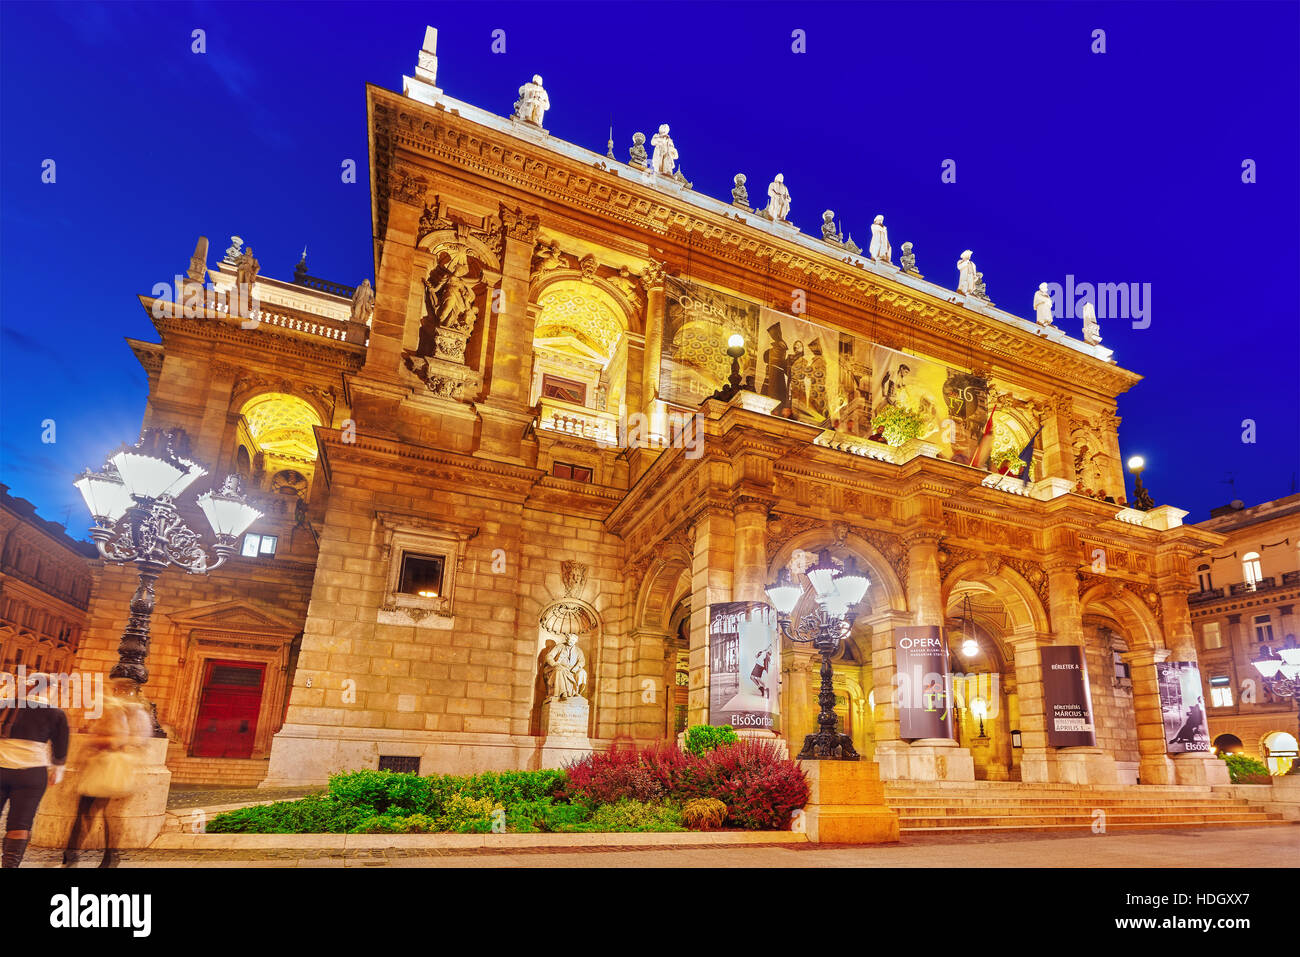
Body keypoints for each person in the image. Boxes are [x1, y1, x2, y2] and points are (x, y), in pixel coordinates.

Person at [63, 697, 147, 868]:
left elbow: (118, 741)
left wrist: (96, 742)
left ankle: (107, 856)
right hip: (96, 772)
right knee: (85, 815)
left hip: (108, 773)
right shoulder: (106, 720)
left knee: (102, 816)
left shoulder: (117, 718)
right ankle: (73, 854)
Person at [0, 671, 69, 868]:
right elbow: (61, 747)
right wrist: (57, 771)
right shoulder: (55, 713)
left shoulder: (5, 705)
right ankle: (10, 866)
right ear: (50, 689)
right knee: (20, 824)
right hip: (31, 773)